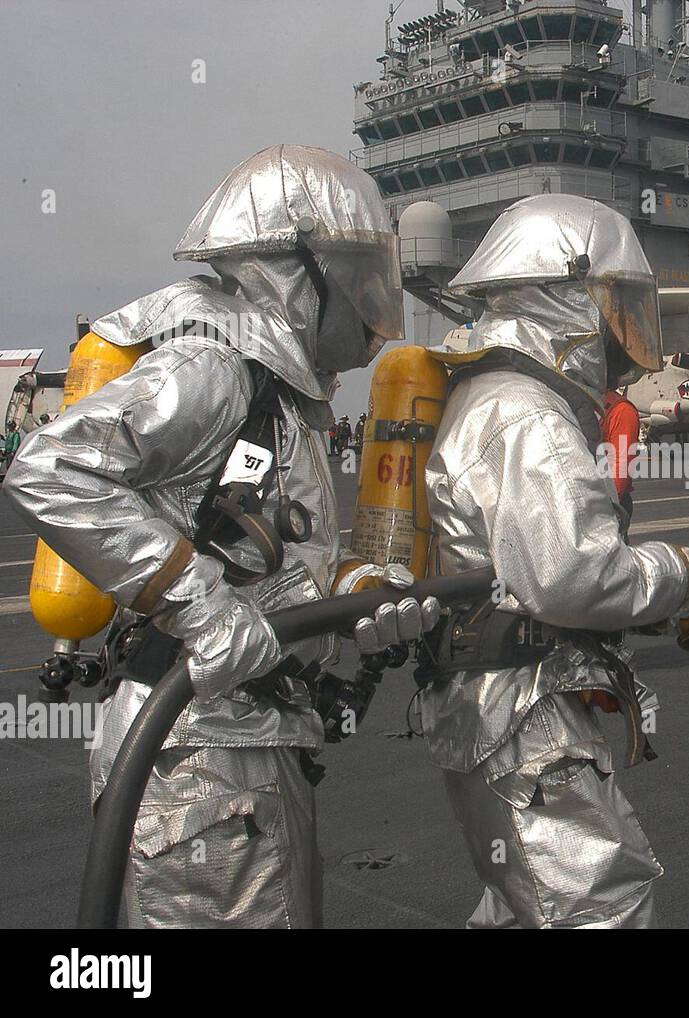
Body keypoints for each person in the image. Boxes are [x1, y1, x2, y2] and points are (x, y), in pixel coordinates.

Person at [5, 145, 436, 928]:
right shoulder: (213, 369)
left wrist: (351, 588)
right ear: (298, 272)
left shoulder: (279, 398)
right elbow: (48, 470)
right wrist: (201, 609)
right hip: (197, 758)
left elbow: (262, 547)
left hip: (249, 742)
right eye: (360, 272)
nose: (374, 299)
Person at [423, 194, 689, 928]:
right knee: (599, 908)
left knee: (522, 908)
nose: (618, 329)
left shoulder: (496, 393)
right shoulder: (524, 412)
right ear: (566, 296)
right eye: (613, 304)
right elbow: (573, 578)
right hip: (523, 716)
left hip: (503, 707)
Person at [602, 387, 640, 529]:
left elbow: (621, 465)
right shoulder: (579, 401)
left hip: (607, 503)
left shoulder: (622, 410)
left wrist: (608, 507)